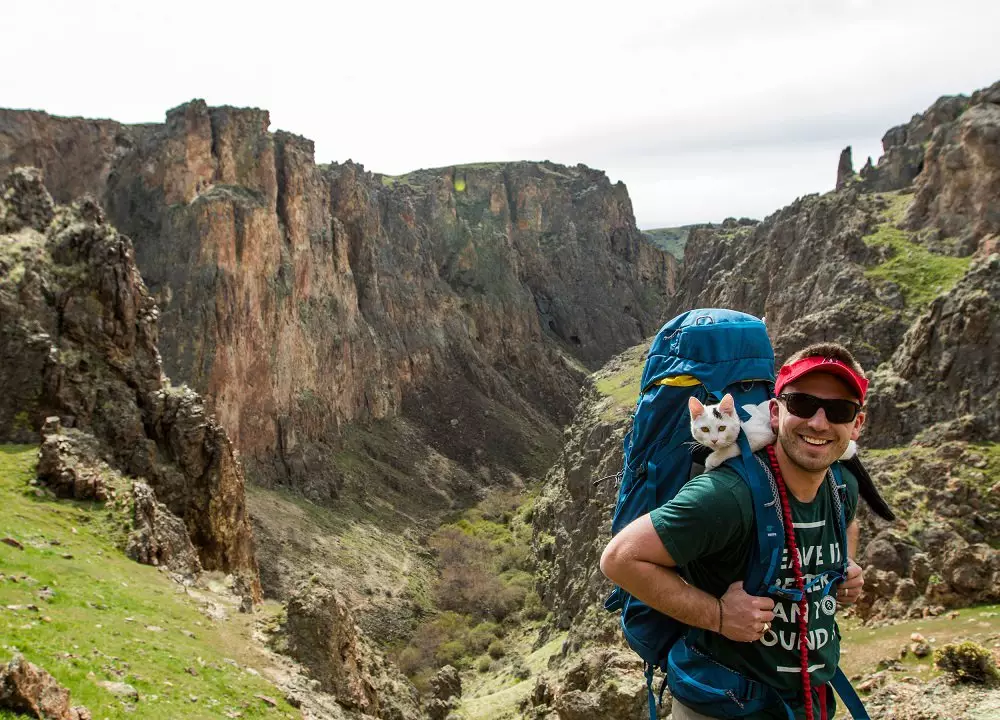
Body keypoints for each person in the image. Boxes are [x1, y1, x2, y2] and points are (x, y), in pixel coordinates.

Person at [600, 343, 868, 720]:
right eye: (803, 405)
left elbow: (849, 521)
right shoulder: (727, 496)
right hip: (725, 704)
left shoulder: (841, 486)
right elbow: (620, 558)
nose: (819, 423)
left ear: (856, 424)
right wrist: (719, 616)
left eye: (839, 410)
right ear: (776, 412)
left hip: (809, 699)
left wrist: (844, 565)